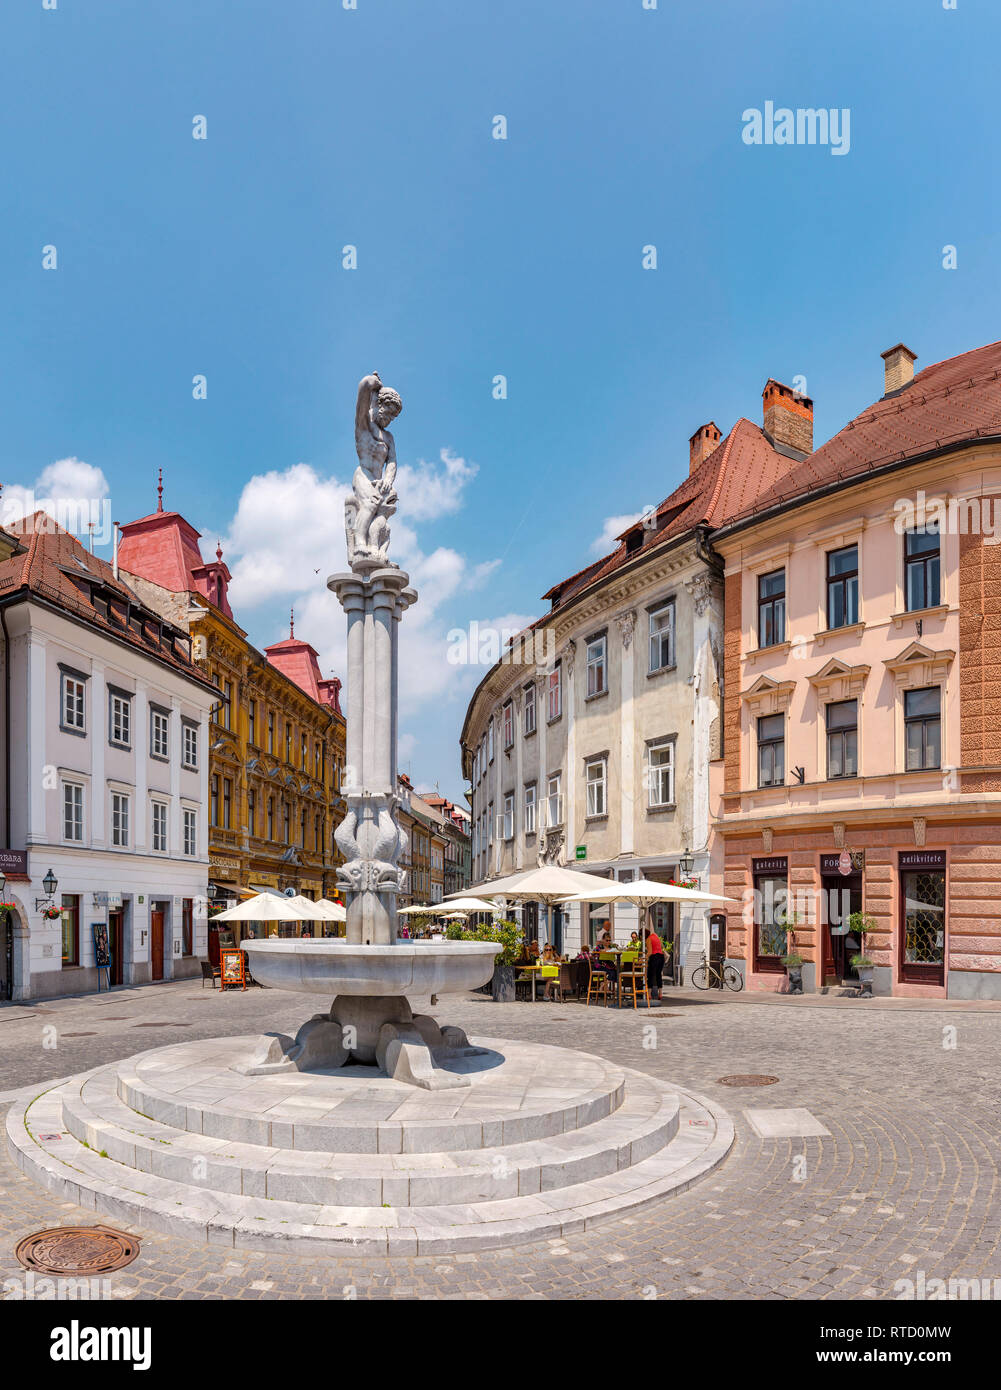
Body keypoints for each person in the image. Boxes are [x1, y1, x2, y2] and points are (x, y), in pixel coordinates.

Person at [644, 926, 666, 1001]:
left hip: (654, 958)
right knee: (658, 975)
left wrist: (643, 958)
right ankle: (660, 994)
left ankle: (649, 994)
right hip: (661, 957)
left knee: (650, 975)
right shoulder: (655, 935)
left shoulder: (648, 939)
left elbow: (650, 952)